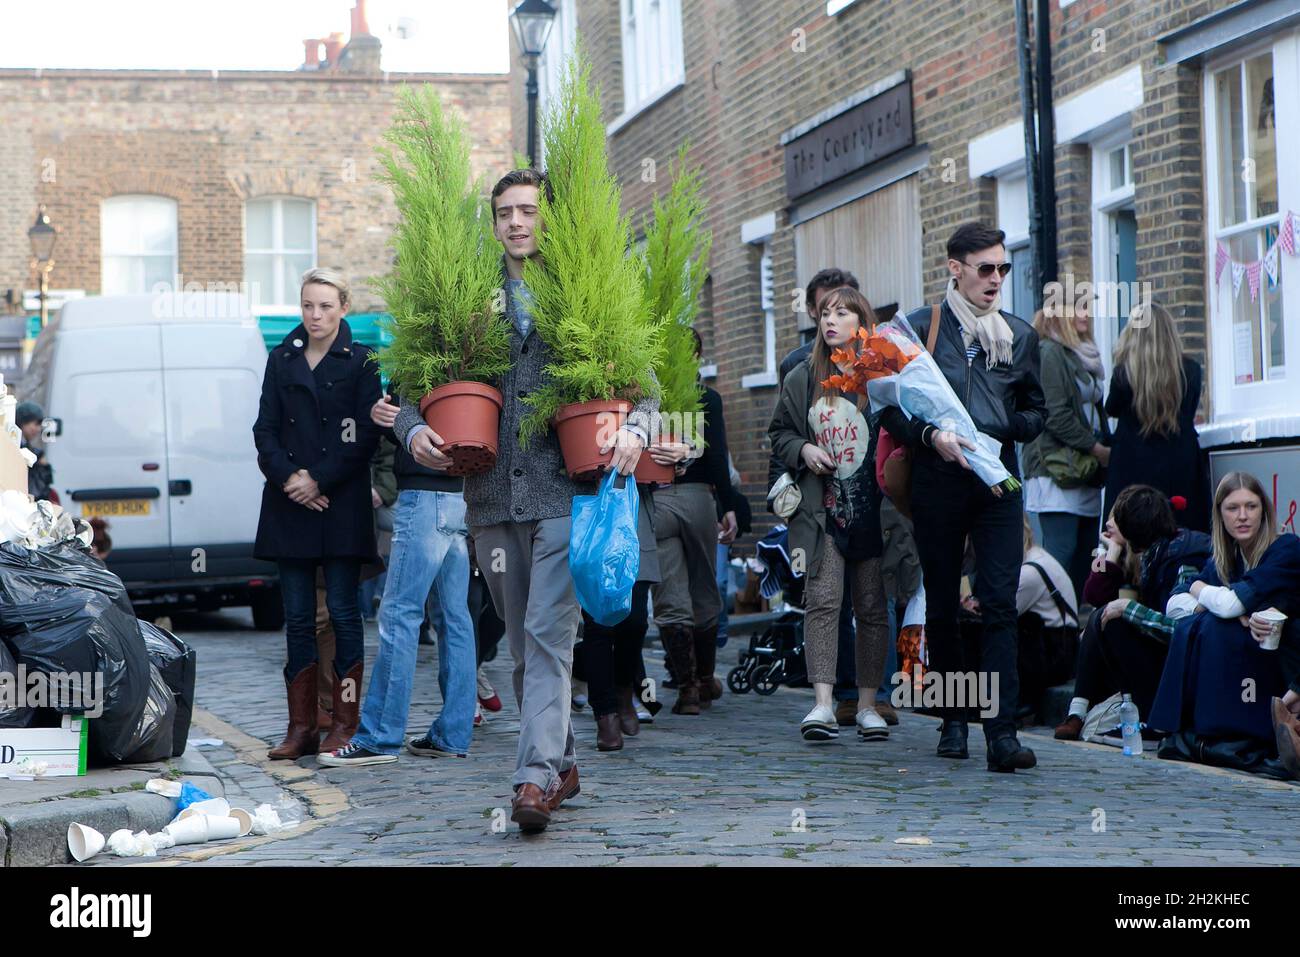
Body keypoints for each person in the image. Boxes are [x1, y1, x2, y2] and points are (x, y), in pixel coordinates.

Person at [392, 169, 657, 833]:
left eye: (528, 210)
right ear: (493, 223)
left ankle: (532, 778)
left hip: (563, 494)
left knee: (545, 635)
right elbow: (406, 388)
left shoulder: (582, 296)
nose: (516, 222)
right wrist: (414, 428)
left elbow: (647, 388)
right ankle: (561, 761)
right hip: (487, 501)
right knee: (519, 645)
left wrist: (635, 431)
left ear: (548, 219)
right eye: (505, 212)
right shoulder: (464, 299)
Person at [876, 222, 1047, 772]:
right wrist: (932, 436)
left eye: (1003, 268)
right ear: (956, 268)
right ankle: (952, 717)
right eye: (985, 268)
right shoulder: (919, 329)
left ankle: (1001, 733)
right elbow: (888, 407)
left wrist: (1001, 427)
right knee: (944, 605)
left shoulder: (1019, 336)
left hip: (997, 481)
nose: (996, 279)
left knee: (998, 604)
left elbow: (1037, 412)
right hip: (938, 481)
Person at [253, 267, 381, 760]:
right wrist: (291, 479)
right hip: (290, 505)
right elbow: (264, 431)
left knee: (346, 614)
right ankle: (301, 726)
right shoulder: (280, 359)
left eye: (325, 306)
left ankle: (344, 724)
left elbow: (366, 436)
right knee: (299, 618)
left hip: (341, 503)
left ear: (342, 307)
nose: (315, 315)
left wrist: (319, 480)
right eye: (308, 305)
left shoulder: (362, 362)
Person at [317, 384, 477, 768]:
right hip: (463, 494)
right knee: (455, 619)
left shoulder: (423, 346)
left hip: (424, 496)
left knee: (399, 615)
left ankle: (378, 737)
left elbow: (414, 426)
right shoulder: (477, 349)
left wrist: (388, 418)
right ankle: (452, 734)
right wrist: (388, 421)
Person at [769, 268, 898, 728]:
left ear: (861, 320)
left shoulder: (882, 376)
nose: (830, 320)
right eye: (825, 313)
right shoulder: (804, 376)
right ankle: (823, 702)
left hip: (873, 510)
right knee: (822, 601)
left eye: (841, 313)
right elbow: (779, 433)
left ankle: (867, 704)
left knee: (870, 607)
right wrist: (803, 449)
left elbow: (903, 432)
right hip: (822, 509)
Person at [1150, 472, 1300, 771]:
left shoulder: (1286, 548)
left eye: (1251, 506)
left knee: (1217, 625)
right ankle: (1210, 730)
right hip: (1259, 664)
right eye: (1232, 508)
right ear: (1220, 513)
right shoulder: (1225, 558)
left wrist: (1202, 592)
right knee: (1200, 624)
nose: (1242, 516)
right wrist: (1208, 600)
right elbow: (1174, 605)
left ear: (1264, 511)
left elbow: (1231, 604)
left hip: (1289, 661)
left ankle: (1247, 734)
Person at [1054, 486, 1210, 740]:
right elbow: (1092, 593)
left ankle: (1125, 716)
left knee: (1108, 617)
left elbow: (1183, 629)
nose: (1108, 522)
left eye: (1116, 517)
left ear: (1133, 525)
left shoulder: (1176, 556)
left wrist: (1129, 609)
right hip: (1127, 648)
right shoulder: (1129, 553)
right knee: (1100, 615)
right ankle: (1077, 712)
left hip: (1172, 659)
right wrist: (1109, 553)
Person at [650, 330, 737, 715]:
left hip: (656, 499)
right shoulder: (707, 399)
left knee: (668, 593)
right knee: (704, 586)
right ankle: (703, 679)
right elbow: (717, 458)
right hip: (699, 496)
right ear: (698, 357)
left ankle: (685, 688)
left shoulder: (648, 400)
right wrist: (729, 505)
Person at [1021, 299, 1110, 595]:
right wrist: (1097, 448)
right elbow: (1054, 414)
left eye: (1087, 308)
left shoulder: (1080, 355)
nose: (1085, 315)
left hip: (1084, 470)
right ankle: (1051, 623)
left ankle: (1074, 629)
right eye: (1077, 308)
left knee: (1086, 555)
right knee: (1062, 552)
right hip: (1055, 469)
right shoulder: (1049, 352)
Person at [1103, 302, 1209, 532]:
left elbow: (1111, 408)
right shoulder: (1190, 370)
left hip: (1132, 463)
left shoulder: (1124, 373)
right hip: (1180, 462)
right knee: (1182, 530)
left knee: (1130, 532)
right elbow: (1189, 412)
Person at [15, 402, 55, 502]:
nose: (38, 429)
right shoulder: (15, 446)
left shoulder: (28, 447)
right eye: (36, 424)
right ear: (23, 422)